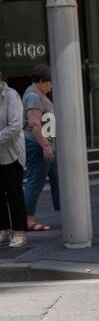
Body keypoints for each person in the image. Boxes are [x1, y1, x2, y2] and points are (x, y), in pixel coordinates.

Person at [22, 65, 58, 233]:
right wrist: (45, 146)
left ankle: (66, 211)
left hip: (45, 146)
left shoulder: (39, 94)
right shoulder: (33, 96)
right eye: (50, 83)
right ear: (41, 81)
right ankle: (27, 219)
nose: (51, 87)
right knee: (35, 181)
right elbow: (34, 124)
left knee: (58, 177)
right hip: (38, 146)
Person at [0, 71, 27, 248]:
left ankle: (20, 232)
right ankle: (4, 230)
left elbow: (15, 126)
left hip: (12, 154)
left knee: (14, 194)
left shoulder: (11, 96)